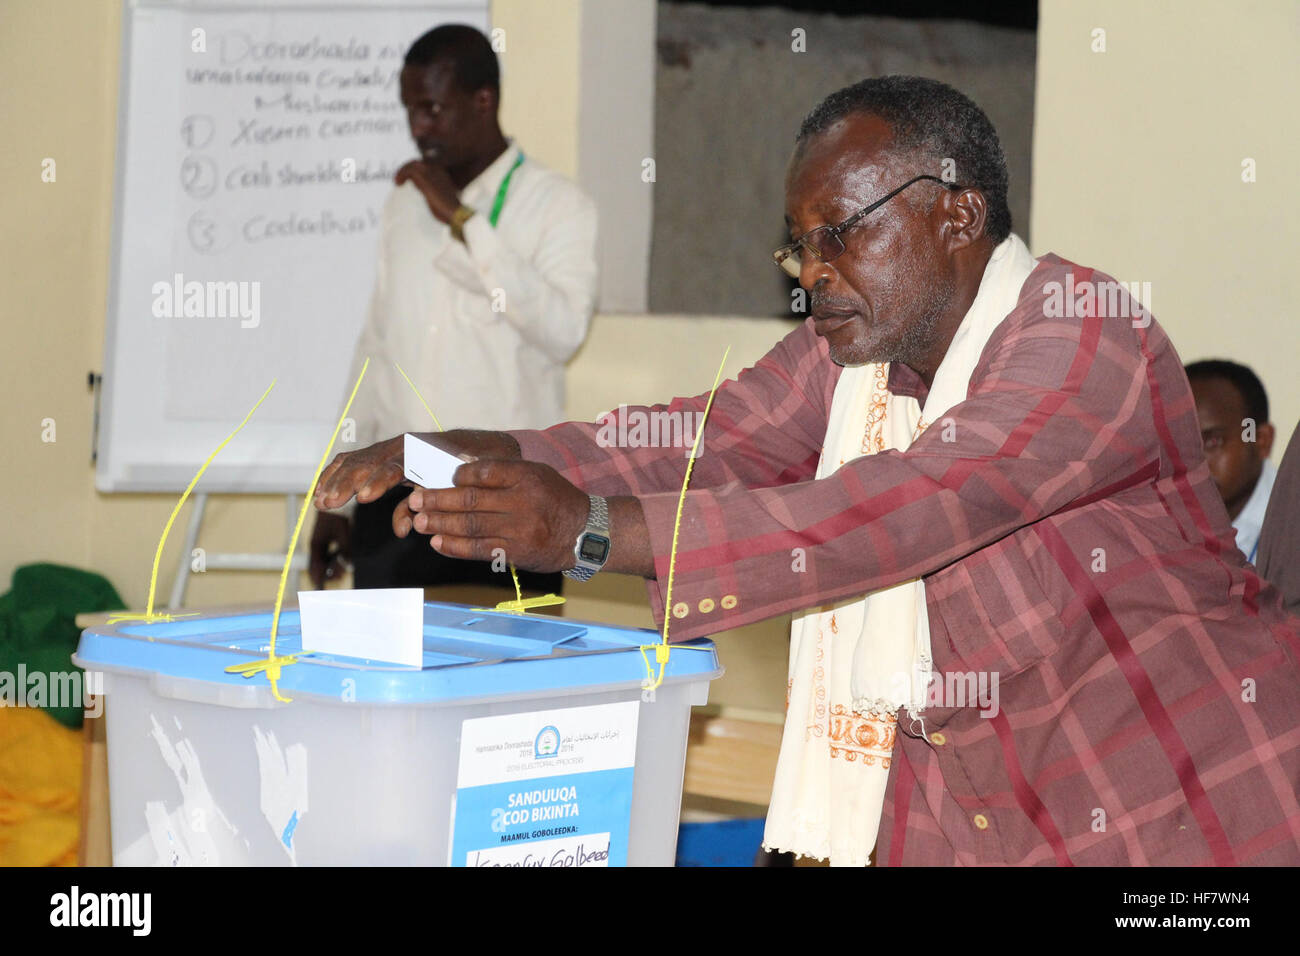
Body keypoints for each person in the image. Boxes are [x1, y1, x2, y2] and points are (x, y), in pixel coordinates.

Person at [315, 76, 1300, 866]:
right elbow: (696, 439)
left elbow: (907, 505)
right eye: (800, 246)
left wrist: (592, 529)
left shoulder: (1086, 335)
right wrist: (452, 450)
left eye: (841, 233)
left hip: (1183, 813)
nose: (809, 272)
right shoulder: (853, 359)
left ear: (955, 213)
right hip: (970, 820)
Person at [309, 24, 599, 594]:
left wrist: (463, 222)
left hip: (500, 499)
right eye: (410, 111)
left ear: (482, 100)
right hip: (391, 497)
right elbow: (375, 350)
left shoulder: (559, 206)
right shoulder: (402, 206)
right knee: (380, 677)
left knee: (502, 679)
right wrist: (335, 504)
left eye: (433, 109)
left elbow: (563, 331)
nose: (419, 129)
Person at [1185, 360, 1277, 565]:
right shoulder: (1155, 523)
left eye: (1213, 442)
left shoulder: (1290, 526)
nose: (1193, 463)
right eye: (1180, 444)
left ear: (1261, 440)